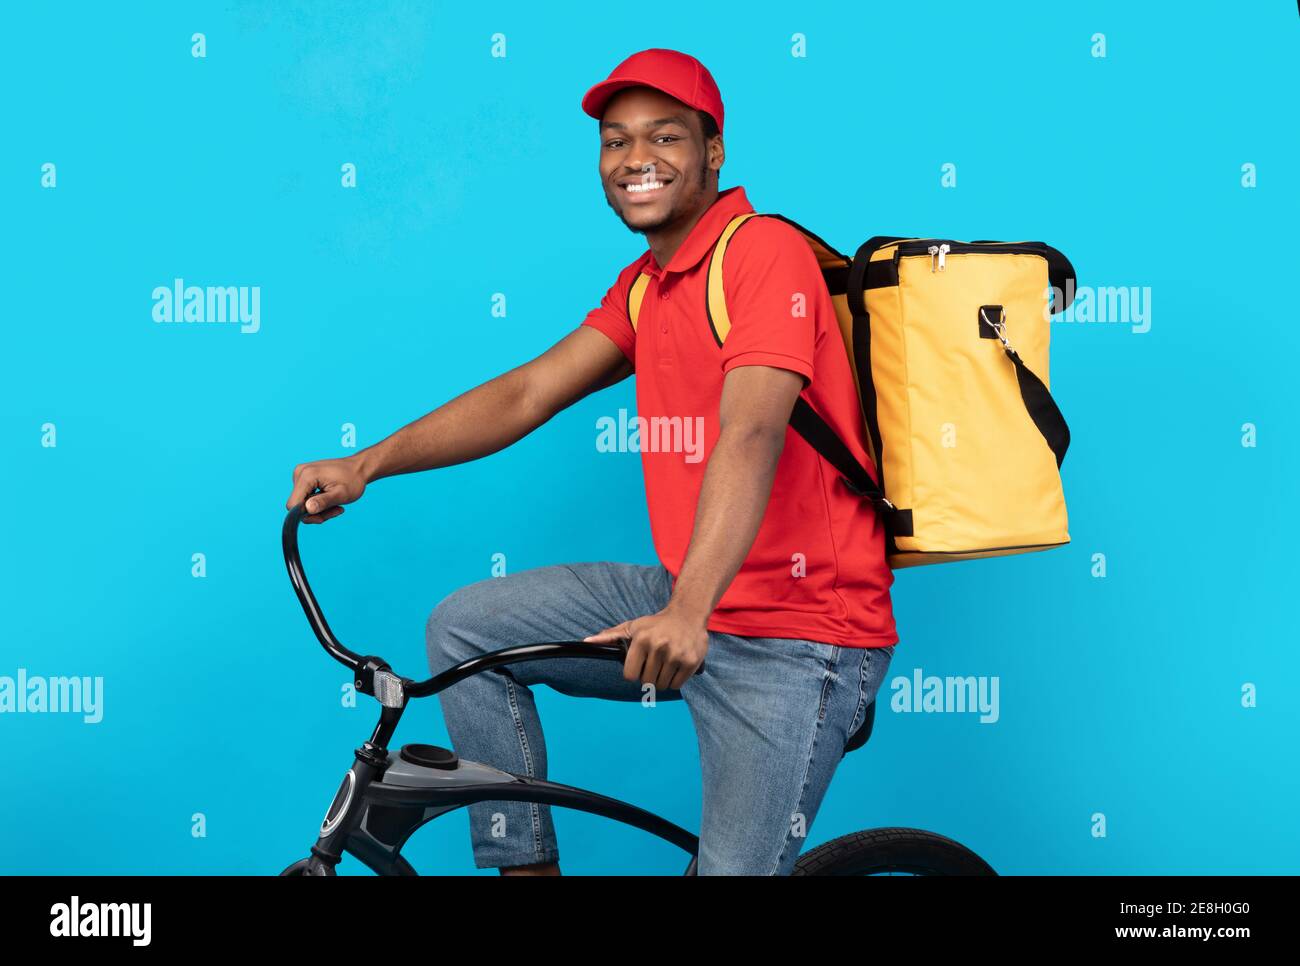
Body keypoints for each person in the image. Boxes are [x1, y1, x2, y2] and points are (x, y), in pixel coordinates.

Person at [284, 47, 899, 875]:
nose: (635, 158)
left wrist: (689, 610)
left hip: (799, 637)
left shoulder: (763, 255)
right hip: (688, 601)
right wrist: (368, 464)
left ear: (714, 152)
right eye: (616, 141)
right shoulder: (649, 286)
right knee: (465, 628)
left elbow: (750, 433)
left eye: (666, 136)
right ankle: (525, 867)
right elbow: (529, 391)